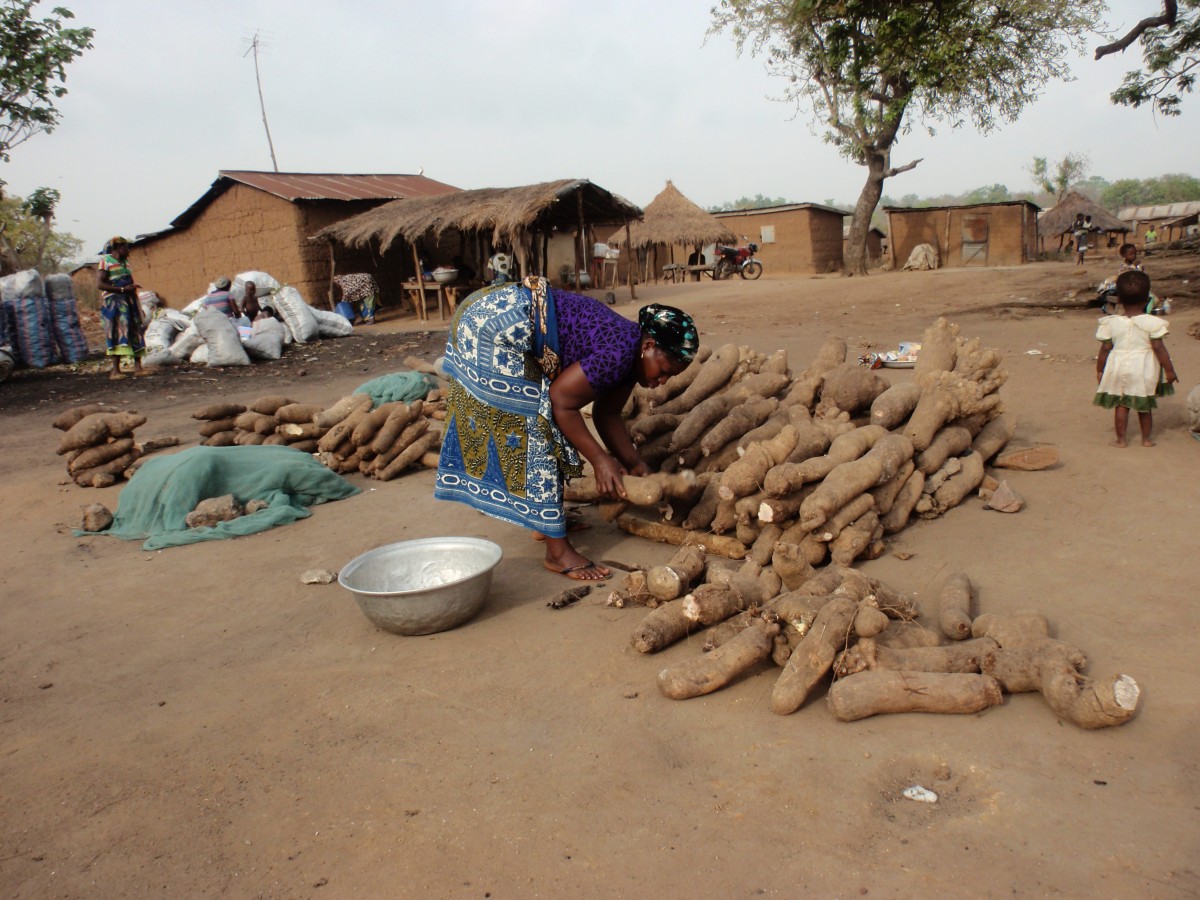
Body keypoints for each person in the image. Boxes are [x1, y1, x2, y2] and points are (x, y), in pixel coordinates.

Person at [434, 276, 698, 580]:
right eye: (664, 370)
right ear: (648, 346)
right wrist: (600, 460)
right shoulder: (619, 354)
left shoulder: (630, 358)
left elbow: (608, 414)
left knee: (554, 425)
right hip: (491, 328)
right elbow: (562, 400)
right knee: (541, 433)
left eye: (670, 377)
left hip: (495, 313)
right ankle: (557, 553)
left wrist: (633, 462)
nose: (662, 382)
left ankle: (544, 524)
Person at [1094, 270, 1178, 447]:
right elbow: (1158, 348)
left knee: (1121, 405)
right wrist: (1169, 370)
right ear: (1147, 300)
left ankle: (1121, 440)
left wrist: (1100, 369)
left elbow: (1105, 349)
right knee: (1144, 405)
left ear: (1120, 301)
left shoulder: (1112, 322)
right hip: (1143, 368)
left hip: (1118, 367)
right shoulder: (1152, 323)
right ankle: (1146, 439)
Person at [96, 236, 149, 379]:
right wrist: (122, 290)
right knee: (117, 331)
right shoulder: (105, 262)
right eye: (126, 247)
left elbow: (126, 282)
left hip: (129, 300)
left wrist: (131, 288)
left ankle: (138, 368)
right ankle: (115, 371)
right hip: (114, 302)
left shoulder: (126, 263)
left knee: (136, 329)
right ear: (117, 248)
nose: (128, 250)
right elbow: (100, 284)